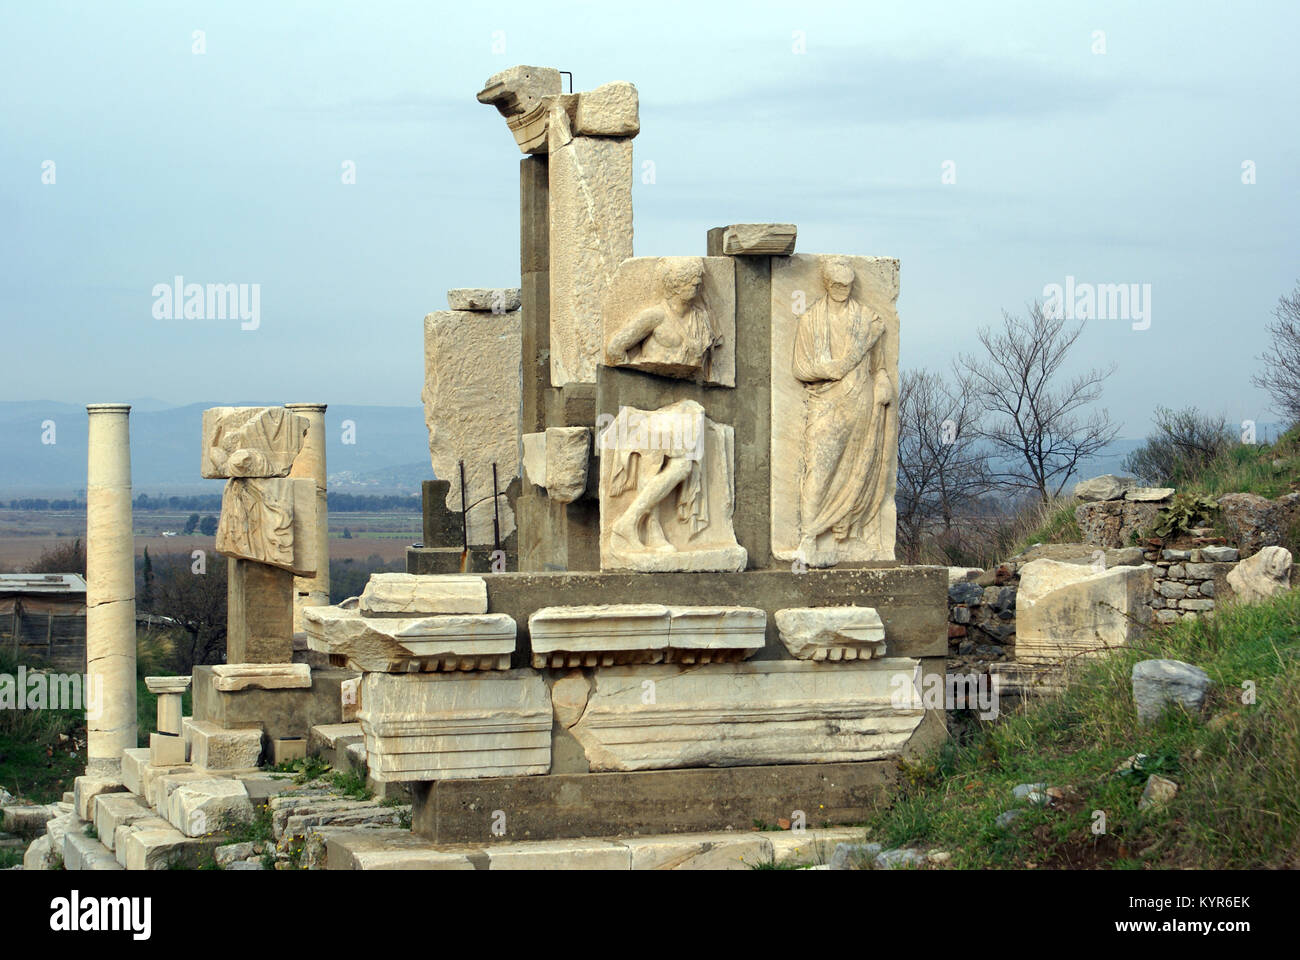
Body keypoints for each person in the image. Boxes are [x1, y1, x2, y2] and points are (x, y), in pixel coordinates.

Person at [792, 257, 895, 562]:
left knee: (858, 466)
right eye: (837, 284)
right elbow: (800, 368)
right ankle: (809, 536)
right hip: (825, 403)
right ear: (826, 283)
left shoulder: (868, 320)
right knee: (820, 469)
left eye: (848, 285)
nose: (843, 290)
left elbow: (879, 366)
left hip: (861, 402)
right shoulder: (810, 320)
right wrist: (828, 368)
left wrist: (883, 382)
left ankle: (846, 535)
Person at [607, 258, 720, 379]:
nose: (698, 286)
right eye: (693, 284)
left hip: (691, 384)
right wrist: (632, 378)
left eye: (698, 283)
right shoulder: (655, 316)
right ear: (676, 285)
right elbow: (615, 349)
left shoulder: (701, 318)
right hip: (652, 384)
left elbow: (709, 362)